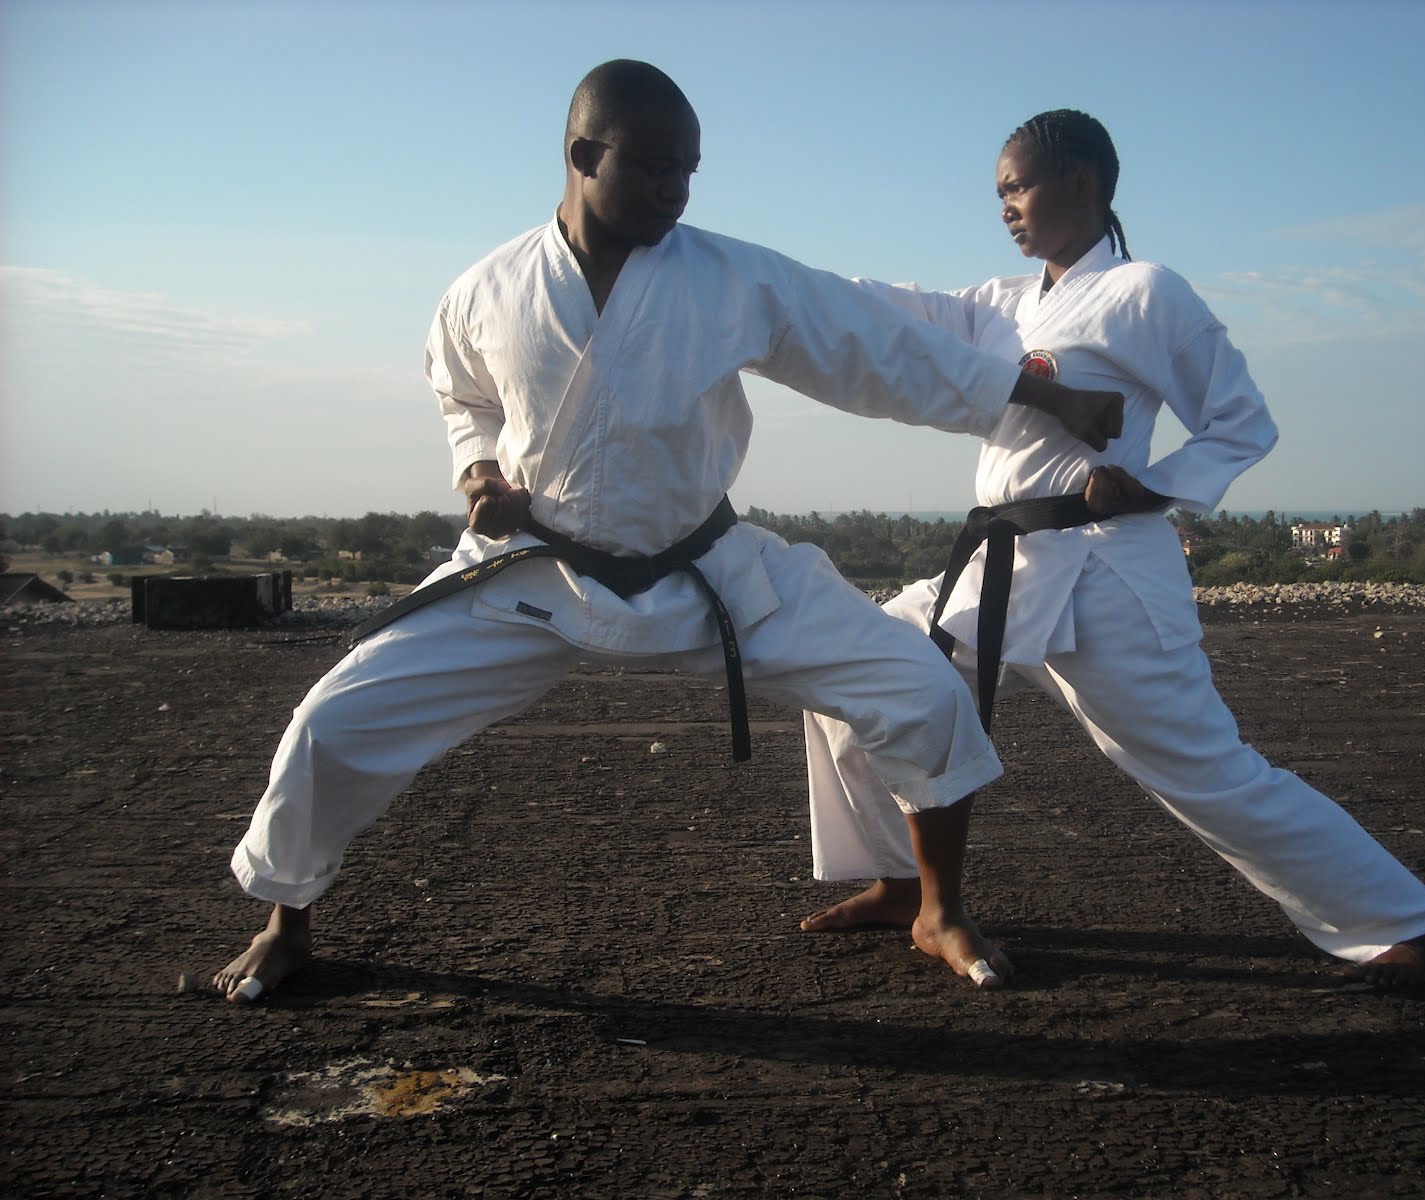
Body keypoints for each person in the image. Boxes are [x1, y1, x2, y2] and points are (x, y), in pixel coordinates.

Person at [210, 64, 1126, 1003]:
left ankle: (934, 907)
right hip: (535, 576)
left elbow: (873, 347)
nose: (676, 191)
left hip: (707, 569)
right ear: (582, 156)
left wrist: (1046, 395)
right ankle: (286, 920)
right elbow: (465, 395)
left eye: (689, 171)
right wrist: (479, 469)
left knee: (919, 685)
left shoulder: (728, 276)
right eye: (654, 168)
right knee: (335, 719)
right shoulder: (486, 288)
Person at [799, 108, 1425, 988]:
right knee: (855, 670)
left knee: (1198, 765)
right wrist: (758, 279)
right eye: (997, 191)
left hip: (1102, 572)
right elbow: (890, 307)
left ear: (1082, 180)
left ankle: (1415, 924)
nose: (1004, 205)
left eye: (1019, 185)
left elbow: (1241, 421)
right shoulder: (1001, 305)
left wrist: (1153, 486)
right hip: (1000, 565)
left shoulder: (1147, 293)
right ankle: (905, 884)